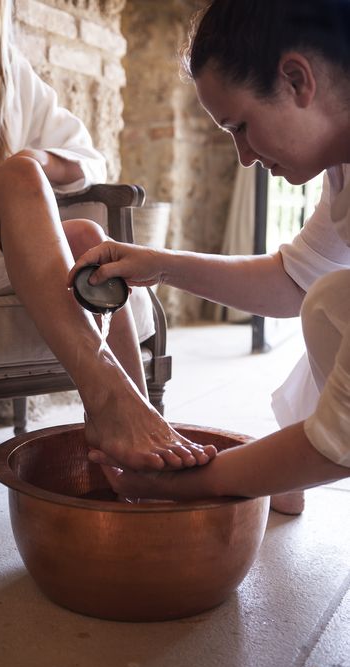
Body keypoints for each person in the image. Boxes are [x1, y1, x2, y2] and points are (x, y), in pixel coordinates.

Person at [0, 0, 216, 472]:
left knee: (87, 238)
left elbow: (90, 159)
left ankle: (141, 436)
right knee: (20, 179)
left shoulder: (6, 68)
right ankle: (111, 402)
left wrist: (39, 159)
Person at [69, 0, 350, 511]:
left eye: (240, 126)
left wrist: (172, 485)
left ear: (295, 80)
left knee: (337, 298)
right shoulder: (342, 169)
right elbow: (295, 280)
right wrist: (160, 264)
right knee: (328, 297)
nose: (244, 157)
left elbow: (342, 430)